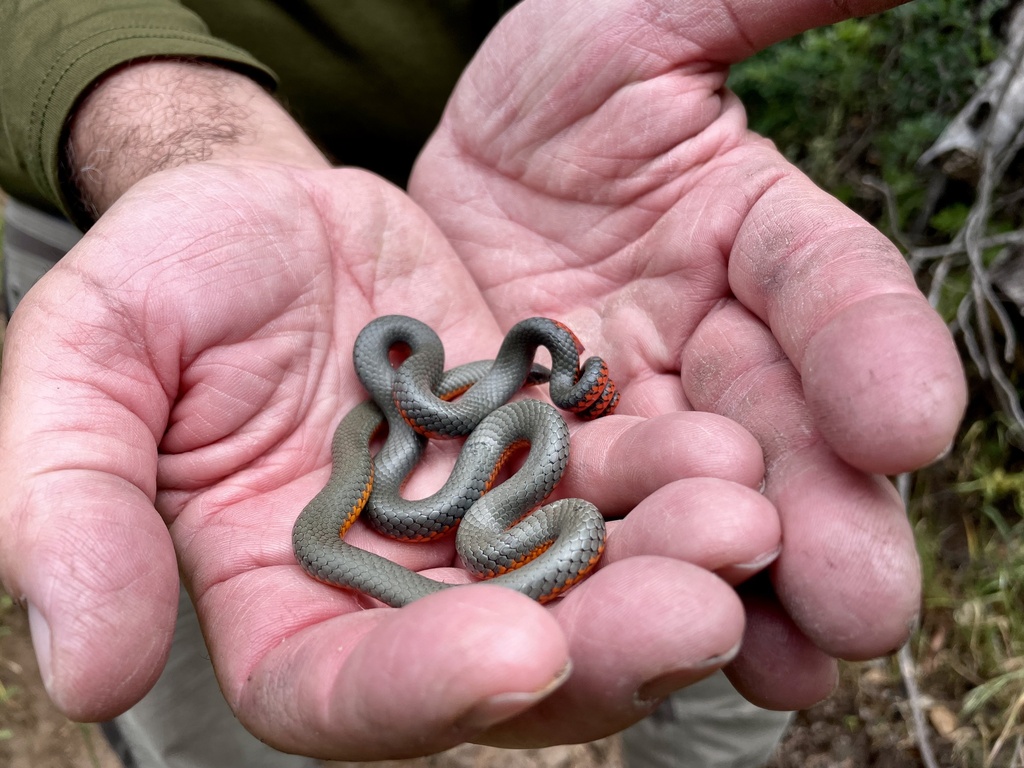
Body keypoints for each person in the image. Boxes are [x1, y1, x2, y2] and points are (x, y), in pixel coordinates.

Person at [0, 1, 966, 766]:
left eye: (579, 397)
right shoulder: (439, 401)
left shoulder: (505, 399)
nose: (584, 403)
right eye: (583, 395)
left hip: (551, 178)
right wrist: (146, 110)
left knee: (719, 573)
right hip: (137, 184)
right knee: (214, 697)